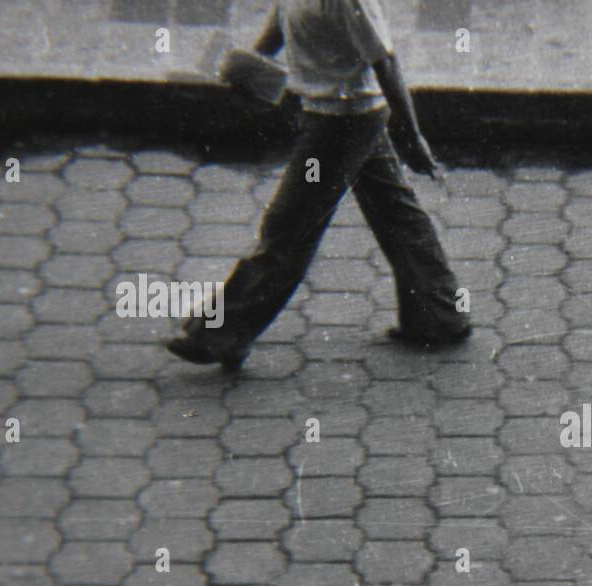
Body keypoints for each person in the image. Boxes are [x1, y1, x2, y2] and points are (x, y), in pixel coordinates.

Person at [166, 0, 469, 372]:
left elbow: (385, 62)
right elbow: (281, 21)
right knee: (396, 213)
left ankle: (220, 334)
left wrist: (411, 136)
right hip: (338, 114)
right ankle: (440, 315)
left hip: (342, 123)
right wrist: (251, 67)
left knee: (288, 227)